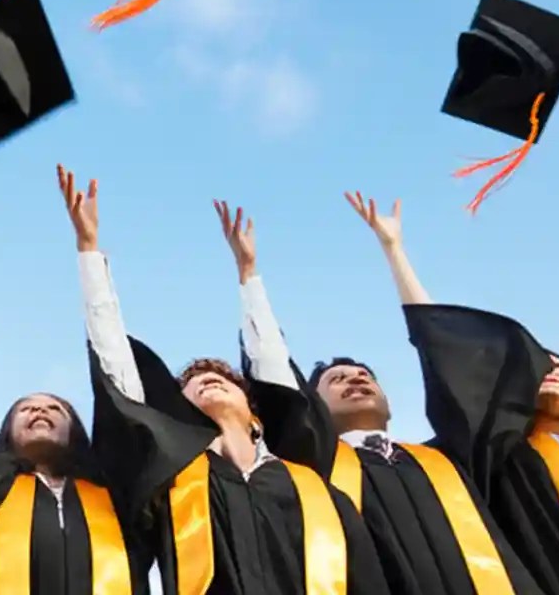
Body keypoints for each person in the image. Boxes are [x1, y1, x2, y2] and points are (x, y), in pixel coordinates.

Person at [232, 193, 544, 594]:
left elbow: (445, 354)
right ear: (315, 411)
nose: (356, 379)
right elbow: (276, 378)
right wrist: (249, 276)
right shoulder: (317, 466)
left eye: (364, 375)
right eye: (338, 379)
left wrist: (393, 249)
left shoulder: (451, 457)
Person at [88, 190, 388, 595]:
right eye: (193, 383)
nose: (208, 380)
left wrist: (249, 274)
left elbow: (273, 368)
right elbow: (120, 386)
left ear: (254, 411)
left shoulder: (313, 487)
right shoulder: (173, 484)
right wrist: (90, 256)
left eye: (225, 379)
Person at [345, 193, 559, 593]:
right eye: (540, 367)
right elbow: (443, 349)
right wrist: (395, 251)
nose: (552, 371)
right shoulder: (502, 451)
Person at [0, 165, 150, 595]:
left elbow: (120, 387)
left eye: (54, 408)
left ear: (77, 430)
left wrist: (89, 251)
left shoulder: (113, 489)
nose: (39, 410)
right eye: (26, 408)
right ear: (5, 432)